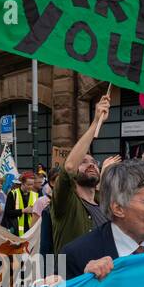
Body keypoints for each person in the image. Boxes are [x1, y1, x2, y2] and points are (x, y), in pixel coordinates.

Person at [52, 91, 112, 254]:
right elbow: (70, 167)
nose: (91, 165)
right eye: (83, 162)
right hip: (73, 278)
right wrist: (96, 121)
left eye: (94, 162)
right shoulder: (66, 202)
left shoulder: (104, 204)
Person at [1, 170, 40, 236]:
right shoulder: (13, 194)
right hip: (15, 231)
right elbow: (7, 213)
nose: (30, 187)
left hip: (30, 231)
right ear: (22, 183)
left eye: (32, 184)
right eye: (28, 184)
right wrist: (23, 211)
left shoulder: (35, 195)